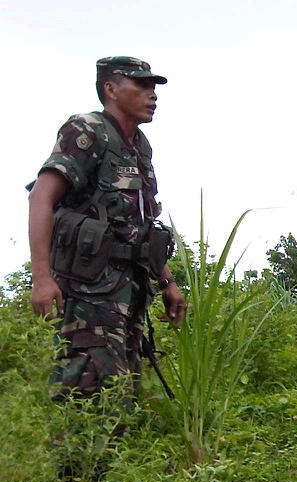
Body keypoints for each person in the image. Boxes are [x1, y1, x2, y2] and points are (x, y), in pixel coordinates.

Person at [28, 56, 185, 404]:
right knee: (86, 390)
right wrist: (41, 278)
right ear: (110, 89)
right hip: (88, 291)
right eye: (141, 85)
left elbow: (138, 225)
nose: (152, 94)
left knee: (122, 392)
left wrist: (167, 281)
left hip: (129, 291)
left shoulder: (140, 146)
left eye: (154, 87)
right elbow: (41, 198)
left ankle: (108, 459)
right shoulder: (86, 130)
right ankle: (77, 460)